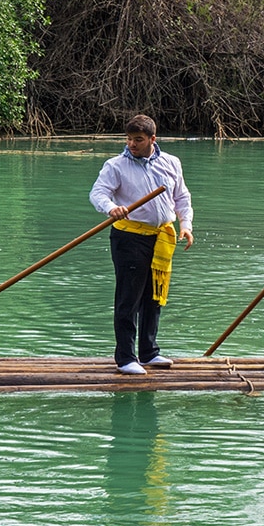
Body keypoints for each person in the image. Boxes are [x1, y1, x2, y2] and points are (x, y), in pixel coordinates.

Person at [89, 114, 194, 375]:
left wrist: (186, 225)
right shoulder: (116, 165)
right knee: (129, 298)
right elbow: (98, 193)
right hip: (130, 237)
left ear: (152, 139)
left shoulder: (171, 162)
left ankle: (149, 352)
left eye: (138, 140)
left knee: (154, 296)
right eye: (129, 139)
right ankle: (125, 357)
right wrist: (112, 208)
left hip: (161, 237)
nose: (132, 145)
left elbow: (181, 196)